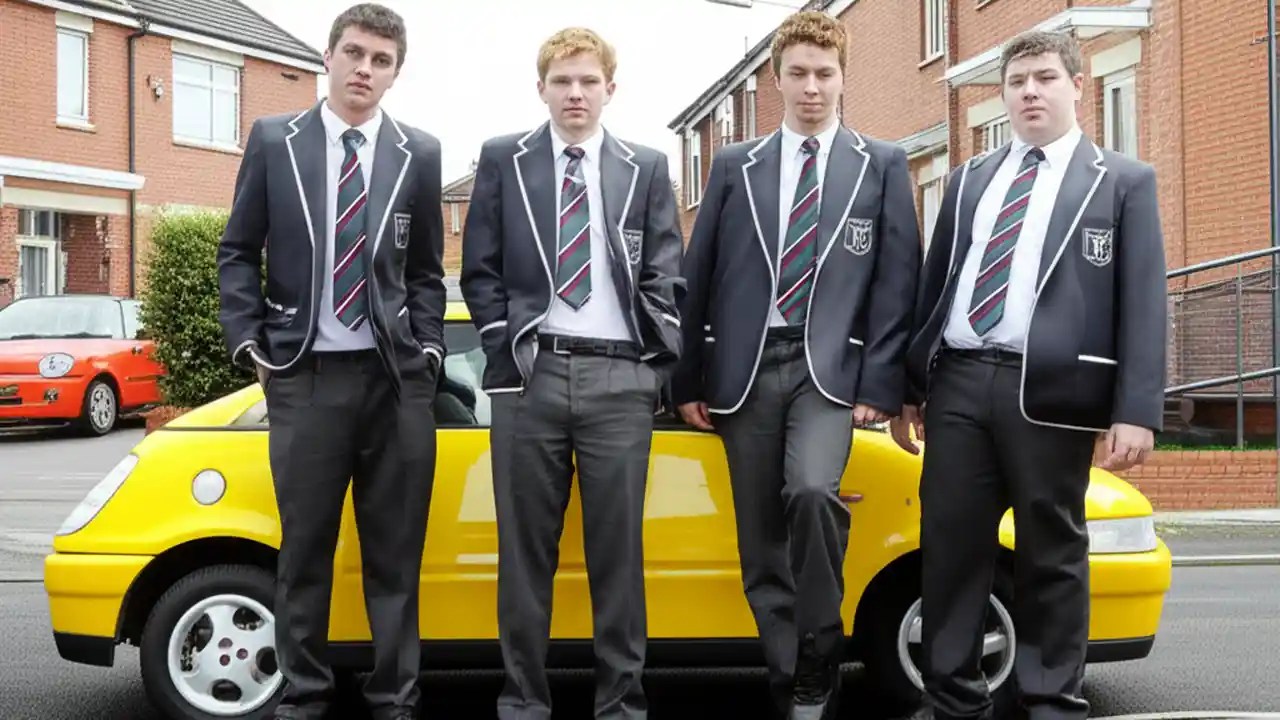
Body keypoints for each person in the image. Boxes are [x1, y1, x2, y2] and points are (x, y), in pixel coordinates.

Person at [889, 29, 1167, 720]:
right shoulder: (971, 179)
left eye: (1045, 77)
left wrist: (1137, 407)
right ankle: (952, 698)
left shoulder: (1124, 181)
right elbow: (937, 284)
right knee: (951, 549)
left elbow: (1142, 298)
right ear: (1005, 95)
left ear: (1079, 83)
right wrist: (911, 385)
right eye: (1018, 82)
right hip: (957, 383)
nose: (1030, 91)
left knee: (1052, 552)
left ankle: (1049, 699)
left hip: (1052, 396)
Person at [671, 10, 920, 719]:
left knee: (812, 493)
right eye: (799, 74)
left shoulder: (882, 164)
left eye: (826, 74)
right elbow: (700, 275)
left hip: (828, 374)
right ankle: (794, 681)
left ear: (843, 78)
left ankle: (820, 646)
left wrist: (884, 383)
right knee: (760, 542)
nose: (812, 88)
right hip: (744, 373)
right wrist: (687, 380)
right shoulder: (733, 166)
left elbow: (897, 283)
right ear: (777, 80)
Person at [215, 4, 446, 719]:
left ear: (395, 72)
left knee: (394, 558)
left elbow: (429, 271)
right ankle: (305, 696)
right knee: (305, 553)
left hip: (394, 385)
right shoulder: (275, 139)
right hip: (305, 379)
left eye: (380, 61)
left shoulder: (420, 151)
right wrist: (253, 345)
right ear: (329, 56)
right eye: (354, 54)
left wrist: (429, 350)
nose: (364, 71)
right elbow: (236, 250)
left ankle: (395, 699)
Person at [459, 26, 684, 720]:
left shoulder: (645, 166)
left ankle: (621, 704)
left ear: (610, 89)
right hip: (533, 378)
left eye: (589, 81)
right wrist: (507, 348)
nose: (576, 93)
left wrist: (653, 365)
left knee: (619, 556)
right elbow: (480, 270)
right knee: (526, 558)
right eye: (563, 81)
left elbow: (667, 273)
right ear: (542, 89)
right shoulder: (504, 159)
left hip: (621, 381)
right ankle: (524, 701)